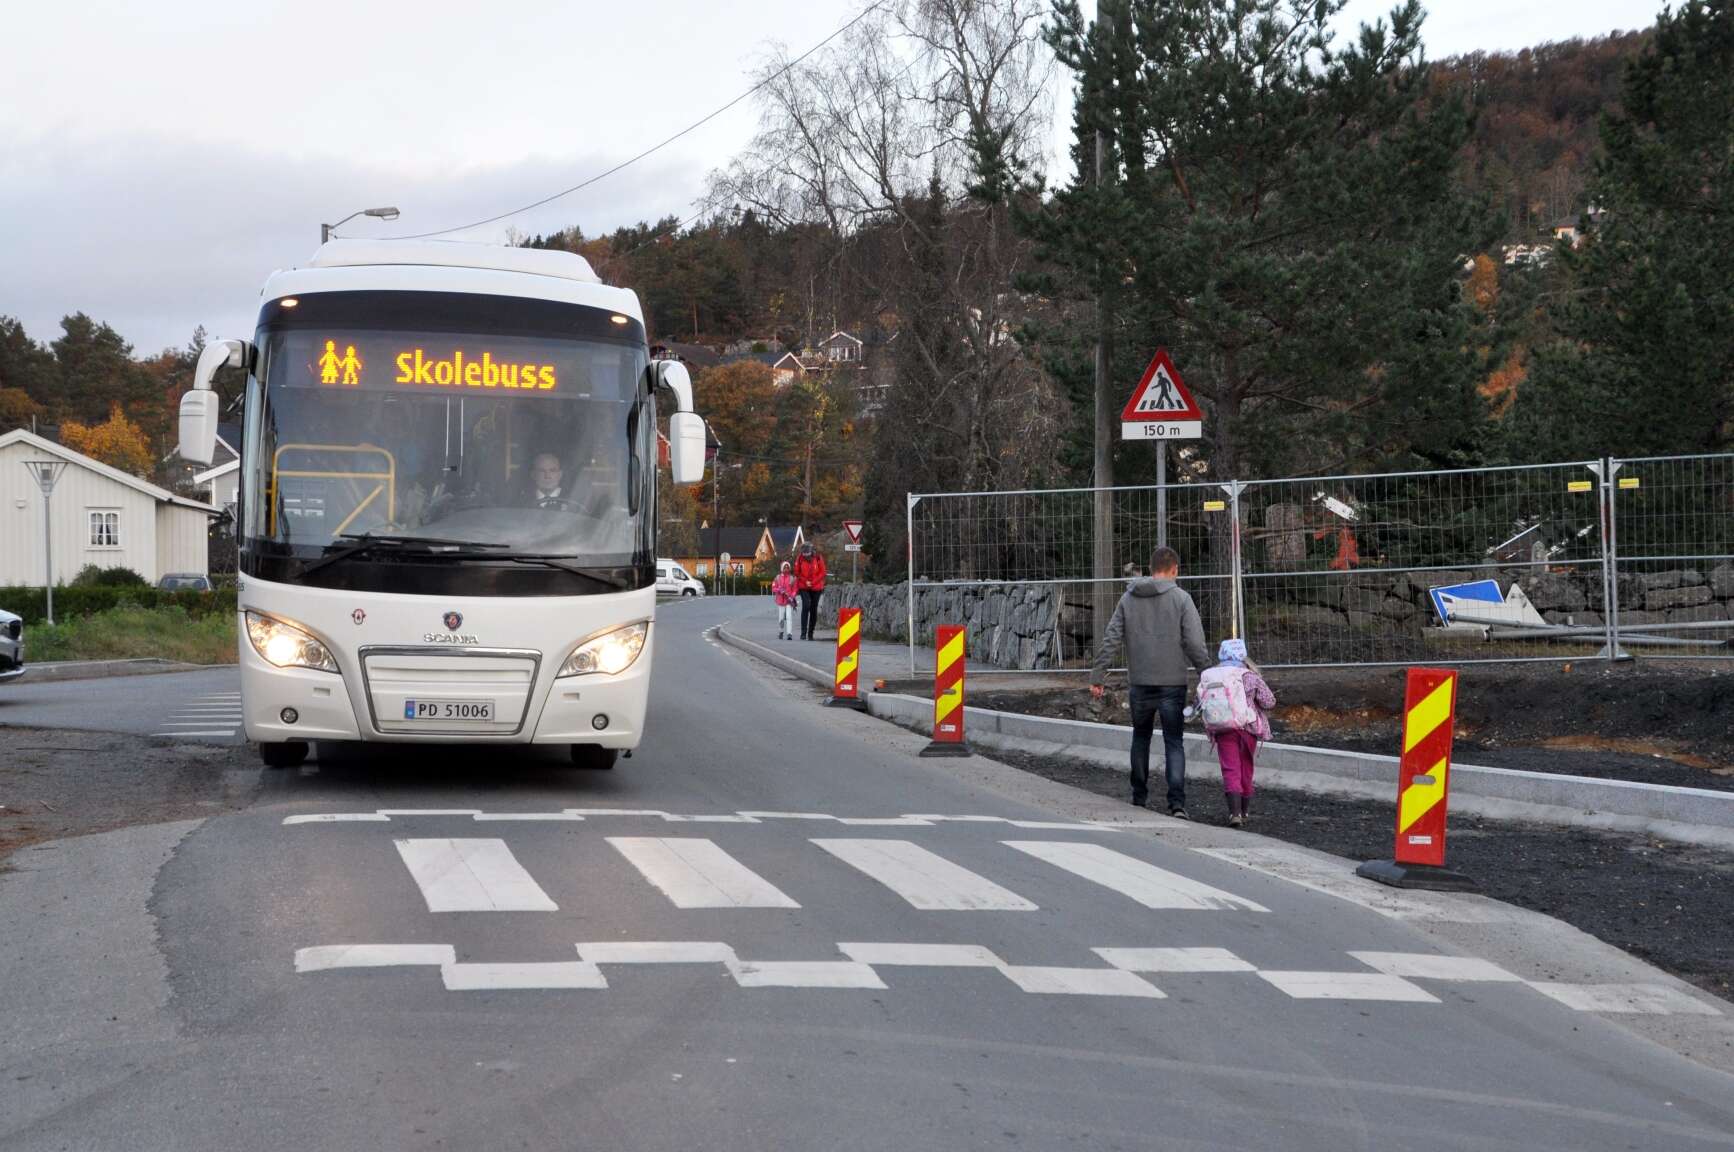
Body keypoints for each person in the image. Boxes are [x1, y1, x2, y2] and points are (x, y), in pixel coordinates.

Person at [1090, 546, 1211, 817]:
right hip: (1173, 683)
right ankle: (1177, 802)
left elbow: (1111, 638)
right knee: (1174, 741)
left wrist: (1098, 676)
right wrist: (1208, 673)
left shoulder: (1128, 598)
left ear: (1151, 567)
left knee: (1140, 737)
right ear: (1174, 570)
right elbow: (1194, 643)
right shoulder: (1182, 599)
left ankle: (1139, 795)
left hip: (1140, 682)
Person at [1197, 638, 1276, 827]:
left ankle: (1234, 813)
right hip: (1247, 728)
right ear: (1243, 654)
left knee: (1230, 768)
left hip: (1222, 728)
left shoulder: (1210, 675)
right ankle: (1245, 811)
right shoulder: (1248, 675)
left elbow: (1200, 701)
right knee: (1246, 768)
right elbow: (1269, 701)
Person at [793, 542, 827, 641]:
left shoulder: (818, 558)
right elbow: (797, 572)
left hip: (816, 587)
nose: (805, 555)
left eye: (807, 553)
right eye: (804, 553)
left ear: (811, 551)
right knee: (806, 606)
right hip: (804, 586)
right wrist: (805, 581)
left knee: (813, 609)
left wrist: (813, 582)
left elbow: (822, 572)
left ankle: (810, 633)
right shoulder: (799, 558)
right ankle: (803, 633)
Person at [772, 561, 798, 641]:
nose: (786, 569)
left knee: (789, 617)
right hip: (780, 601)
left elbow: (795, 589)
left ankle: (789, 633)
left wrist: (792, 596)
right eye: (785, 567)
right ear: (782, 568)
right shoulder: (777, 578)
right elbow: (773, 588)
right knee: (781, 618)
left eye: (787, 567)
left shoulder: (792, 578)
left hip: (789, 601)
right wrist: (779, 590)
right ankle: (781, 631)